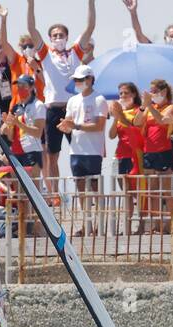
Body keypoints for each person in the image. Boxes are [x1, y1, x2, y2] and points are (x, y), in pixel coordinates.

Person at [26, 0, 96, 183]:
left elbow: (90, 27)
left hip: (73, 109)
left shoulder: (74, 52)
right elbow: (32, 29)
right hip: (53, 109)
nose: (58, 38)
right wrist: (30, 4)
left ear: (67, 36)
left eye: (61, 35)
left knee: (81, 152)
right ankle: (56, 196)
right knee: (52, 155)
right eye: (54, 36)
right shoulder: (46, 54)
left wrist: (91, 3)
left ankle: (84, 194)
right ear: (50, 39)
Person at [60, 63, 107, 234]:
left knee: (95, 188)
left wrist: (76, 126)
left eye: (80, 79)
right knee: (80, 188)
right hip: (76, 150)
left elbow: (99, 126)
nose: (77, 82)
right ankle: (86, 225)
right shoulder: (72, 100)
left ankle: (99, 224)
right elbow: (68, 122)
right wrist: (64, 126)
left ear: (90, 79)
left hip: (93, 151)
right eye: (76, 80)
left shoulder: (99, 99)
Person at [134, 78, 173, 232]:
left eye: (154, 91)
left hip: (163, 152)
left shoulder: (170, 107)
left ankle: (170, 224)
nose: (152, 94)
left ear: (163, 92)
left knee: (166, 191)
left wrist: (150, 106)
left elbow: (161, 120)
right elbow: (137, 122)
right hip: (149, 152)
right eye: (150, 91)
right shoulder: (149, 107)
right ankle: (155, 224)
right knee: (152, 192)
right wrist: (142, 107)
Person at [108, 82, 145, 232]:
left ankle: (141, 225)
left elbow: (135, 127)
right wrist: (116, 118)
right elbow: (111, 135)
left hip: (135, 154)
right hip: (121, 155)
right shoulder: (119, 114)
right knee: (126, 193)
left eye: (126, 93)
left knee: (138, 192)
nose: (123, 96)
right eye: (121, 93)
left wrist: (120, 115)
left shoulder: (137, 111)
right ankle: (127, 228)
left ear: (134, 94)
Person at [2, 74, 47, 174]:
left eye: (23, 86)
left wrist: (18, 123)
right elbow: (11, 137)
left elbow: (38, 133)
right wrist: (7, 126)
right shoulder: (16, 107)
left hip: (32, 150)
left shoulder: (38, 105)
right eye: (18, 86)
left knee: (33, 187)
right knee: (19, 187)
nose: (20, 89)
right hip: (17, 151)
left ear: (31, 87)